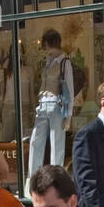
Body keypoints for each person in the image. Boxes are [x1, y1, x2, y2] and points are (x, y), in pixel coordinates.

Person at [27, 30, 74, 176]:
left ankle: (56, 177)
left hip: (56, 105)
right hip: (42, 105)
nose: (45, 48)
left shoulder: (64, 62)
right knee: (35, 140)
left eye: (45, 44)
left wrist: (69, 115)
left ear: (50, 43)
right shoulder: (49, 62)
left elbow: (70, 89)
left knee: (56, 142)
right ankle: (33, 175)